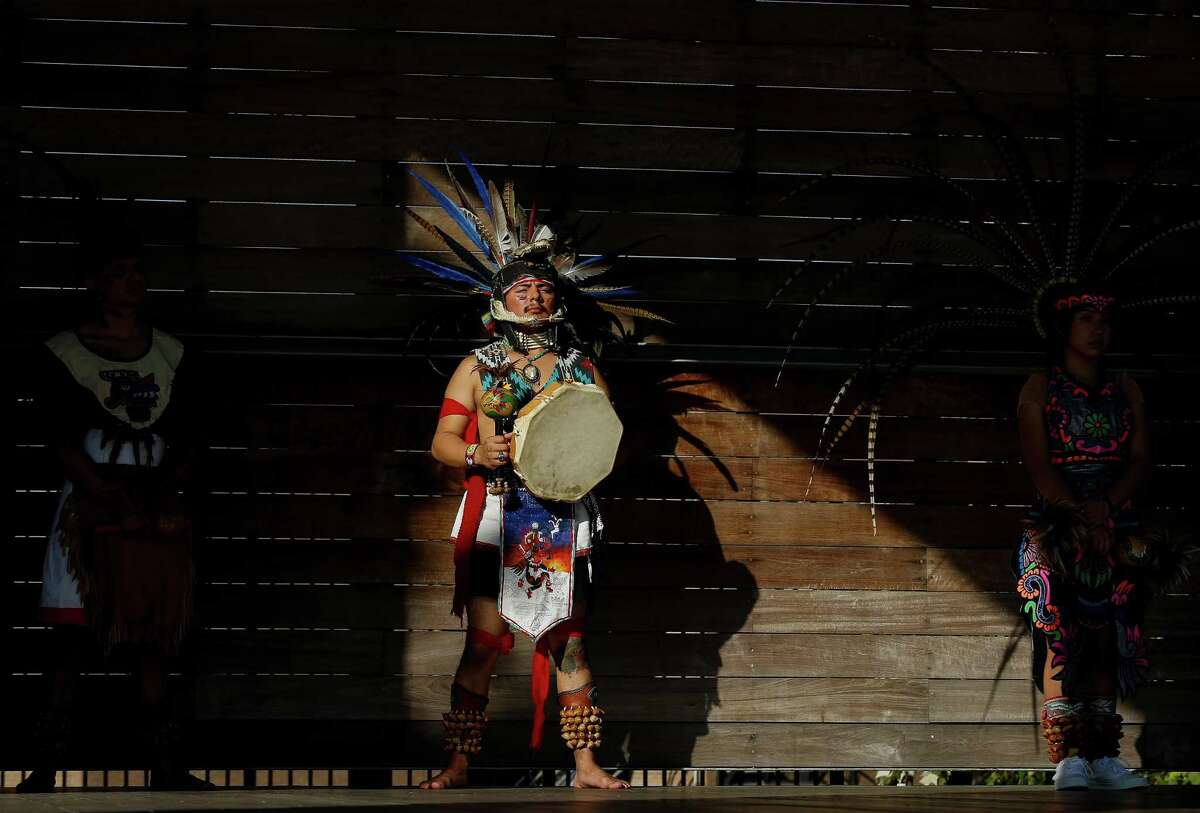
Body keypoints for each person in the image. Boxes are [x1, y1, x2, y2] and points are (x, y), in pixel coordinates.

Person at [396, 157, 666, 790]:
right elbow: (442, 439)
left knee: (568, 643)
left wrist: (588, 464)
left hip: (562, 517)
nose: (536, 295)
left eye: (545, 288)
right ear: (499, 298)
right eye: (523, 287)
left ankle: (587, 766)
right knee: (485, 641)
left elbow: (609, 435)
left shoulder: (579, 365)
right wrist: (474, 455)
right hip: (497, 513)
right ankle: (460, 762)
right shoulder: (479, 363)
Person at [17, 225, 210, 792]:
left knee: (153, 632)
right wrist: (102, 491)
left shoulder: (173, 354)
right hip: (90, 503)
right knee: (71, 636)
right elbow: (57, 438)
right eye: (119, 272)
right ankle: (47, 767)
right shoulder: (64, 353)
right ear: (91, 284)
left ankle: (165, 766)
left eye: (137, 271)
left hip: (155, 498)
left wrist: (164, 491)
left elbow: (193, 437)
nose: (134, 282)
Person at [1015, 285, 1152, 791]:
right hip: (1059, 519)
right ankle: (1068, 755)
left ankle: (1103, 756)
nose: (1098, 330)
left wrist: (1107, 508)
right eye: (1086, 320)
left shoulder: (1126, 390)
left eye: (1105, 321)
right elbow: (1037, 463)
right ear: (1062, 328)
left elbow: (1139, 461)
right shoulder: (1040, 388)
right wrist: (1079, 514)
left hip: (1116, 521)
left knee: (1108, 636)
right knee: (1060, 633)